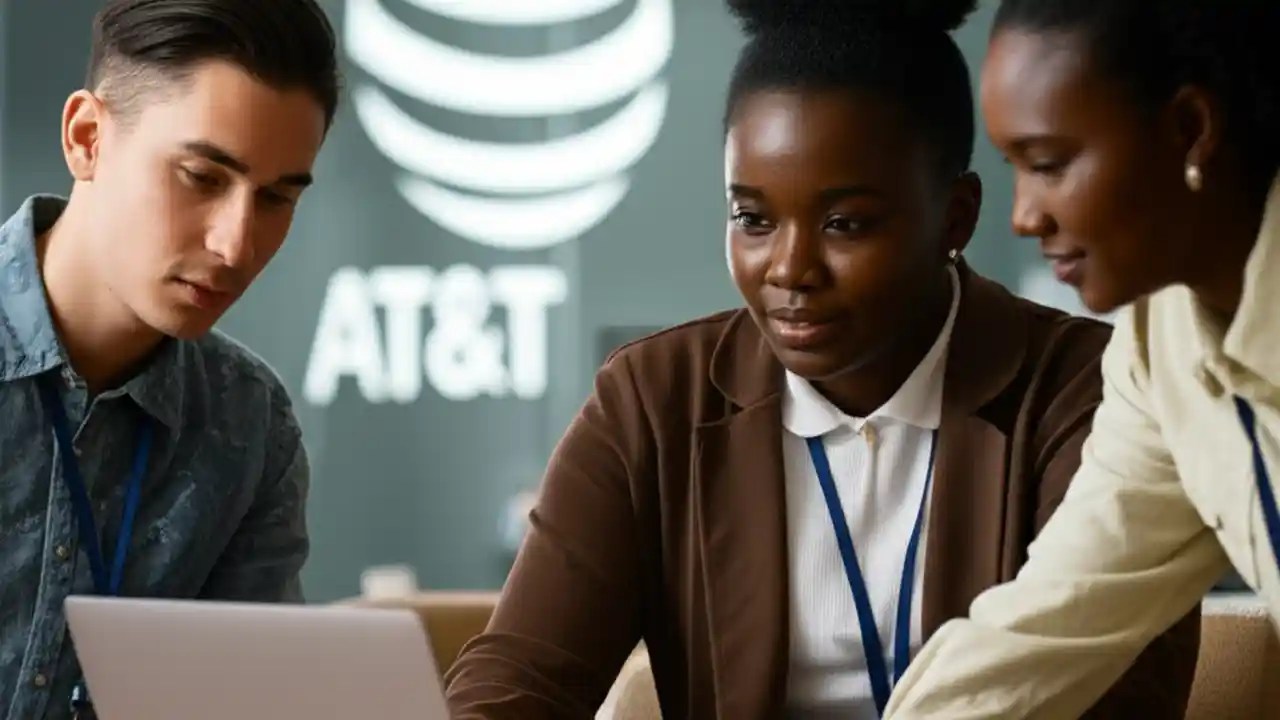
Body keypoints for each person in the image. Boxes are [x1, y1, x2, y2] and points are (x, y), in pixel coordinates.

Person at [444, 1, 1198, 718]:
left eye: (845, 224)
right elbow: (521, 673)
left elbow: (1118, 695)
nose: (790, 268)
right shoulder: (653, 398)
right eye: (753, 219)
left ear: (955, 216)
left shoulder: (1088, 390)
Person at [884, 1, 1280, 718]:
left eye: (1050, 165)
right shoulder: (1158, 351)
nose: (1024, 216)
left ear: (1190, 129)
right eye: (1015, 169)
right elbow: (1046, 628)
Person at [0, 1, 338, 718]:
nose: (237, 246)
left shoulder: (251, 426)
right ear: (87, 137)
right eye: (202, 177)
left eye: (276, 198)